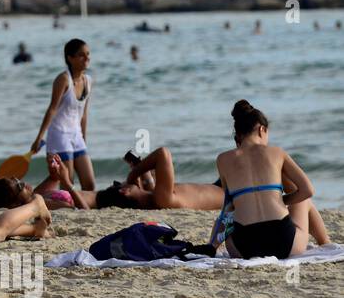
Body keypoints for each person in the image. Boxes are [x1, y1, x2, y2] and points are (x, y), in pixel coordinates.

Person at [214, 100, 330, 259]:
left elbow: (229, 206)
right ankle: (325, 242)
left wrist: (211, 245)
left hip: (244, 248)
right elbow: (307, 190)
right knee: (303, 200)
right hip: (284, 242)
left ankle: (325, 242)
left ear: (238, 134)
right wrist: (282, 200)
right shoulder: (276, 152)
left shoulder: (223, 159)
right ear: (262, 130)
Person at [29, 38, 95, 191]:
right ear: (70, 58)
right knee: (68, 183)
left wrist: (84, 137)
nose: (87, 58)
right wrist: (39, 137)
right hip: (59, 136)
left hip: (76, 135)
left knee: (90, 184)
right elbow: (52, 109)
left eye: (88, 54)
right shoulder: (63, 79)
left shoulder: (88, 81)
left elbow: (83, 114)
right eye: (81, 55)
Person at [96, 146, 225, 210]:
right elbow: (163, 153)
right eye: (120, 184)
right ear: (124, 191)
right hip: (228, 191)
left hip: (221, 186)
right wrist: (133, 174)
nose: (124, 182)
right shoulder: (163, 198)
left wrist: (141, 173)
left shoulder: (155, 198)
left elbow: (150, 186)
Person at [0, 154, 87, 211]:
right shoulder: (46, 206)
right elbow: (84, 211)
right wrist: (68, 183)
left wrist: (54, 167)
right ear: (14, 204)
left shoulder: (34, 194)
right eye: (20, 186)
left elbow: (54, 178)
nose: (23, 183)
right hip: (99, 200)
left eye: (16, 179)